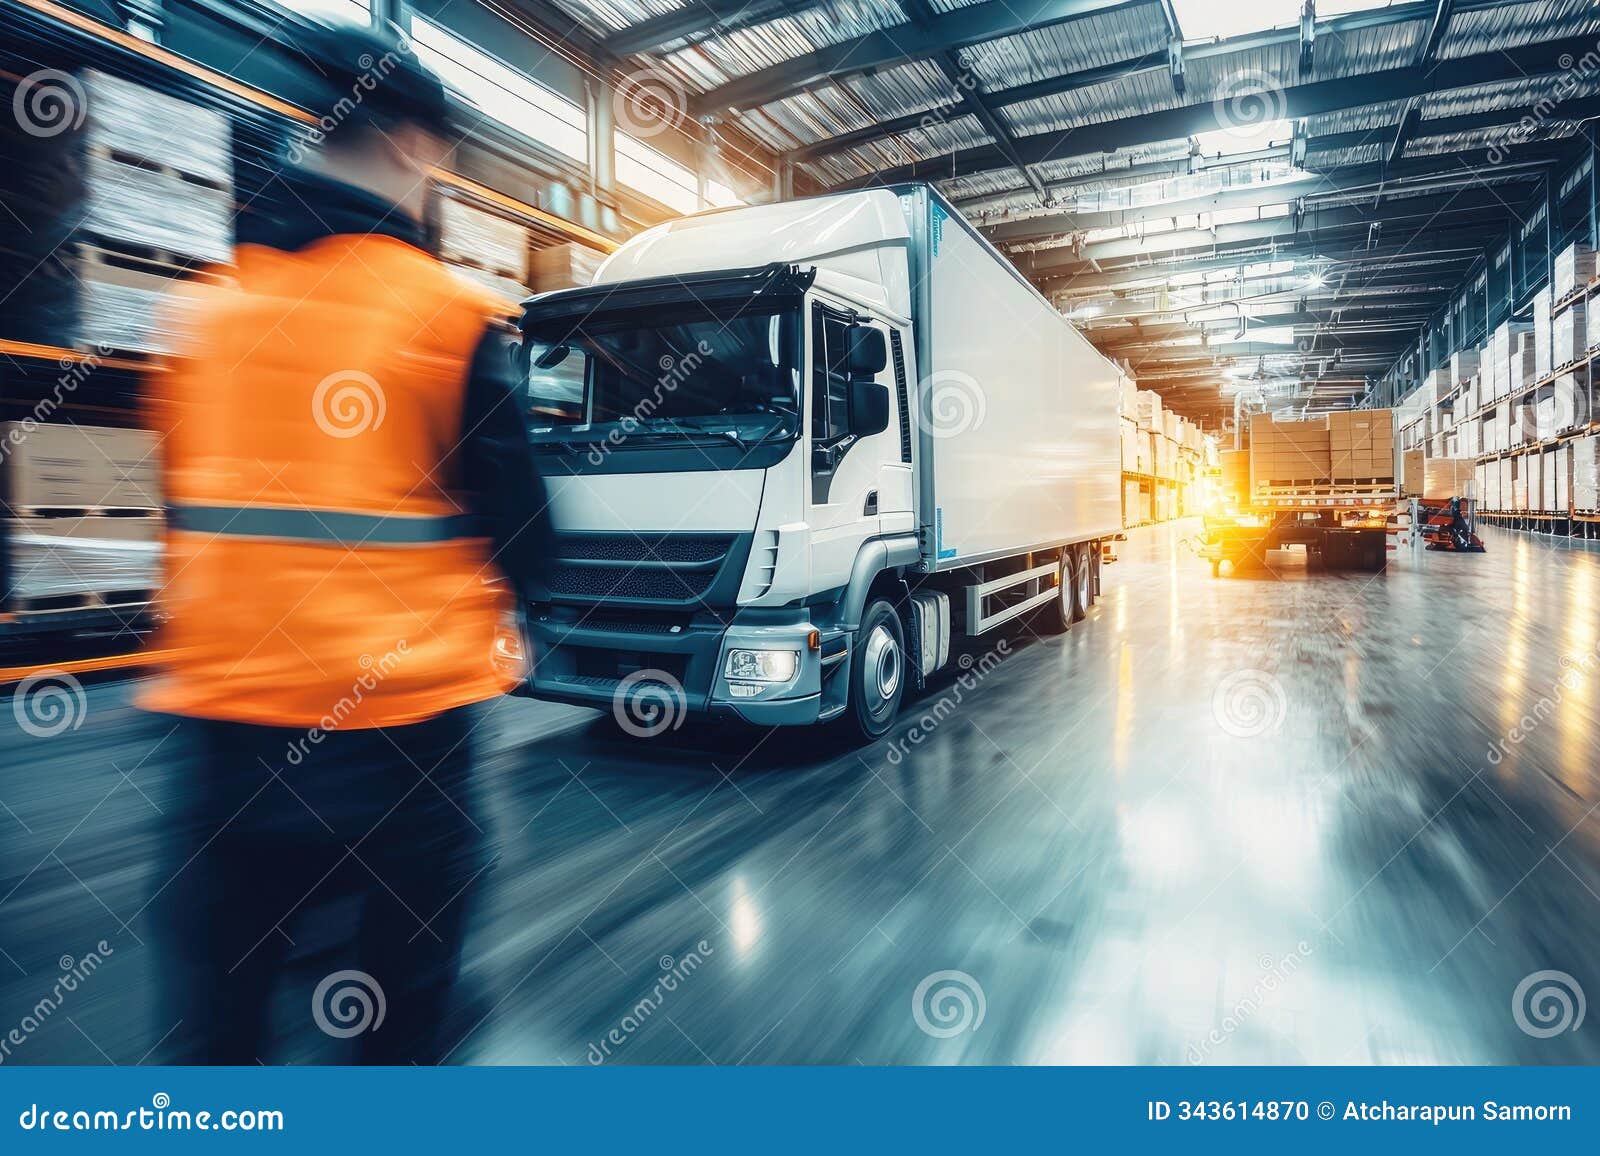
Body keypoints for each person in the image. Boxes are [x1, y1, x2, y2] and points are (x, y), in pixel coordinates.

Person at [143, 17, 549, 1064]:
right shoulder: (447, 317)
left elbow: (179, 510)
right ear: (412, 144)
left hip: (224, 740)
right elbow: (525, 530)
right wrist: (526, 611)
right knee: (402, 1014)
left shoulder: (204, 315)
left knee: (220, 1030)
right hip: (400, 739)